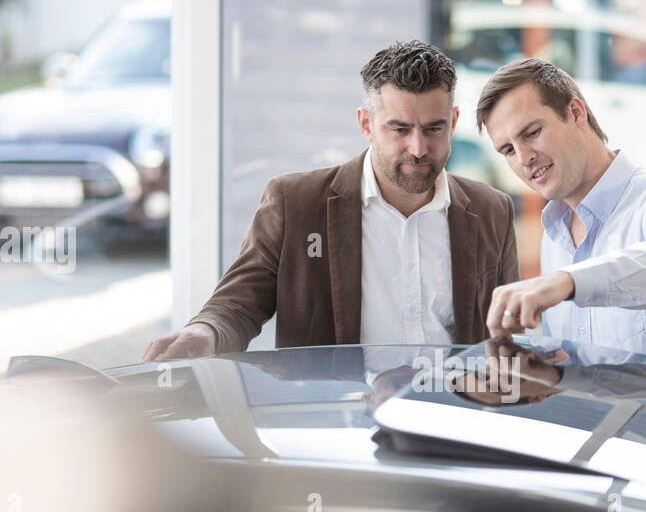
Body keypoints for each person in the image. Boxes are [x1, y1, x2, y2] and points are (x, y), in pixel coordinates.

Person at [142, 41, 519, 362]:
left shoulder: (491, 210)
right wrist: (205, 332)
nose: (418, 148)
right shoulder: (296, 204)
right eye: (399, 129)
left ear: (453, 122)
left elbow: (504, 336)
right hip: (336, 421)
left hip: (455, 415)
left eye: (433, 129)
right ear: (366, 125)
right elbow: (239, 302)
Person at [474, 58, 646, 370]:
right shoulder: (555, 238)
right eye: (507, 150)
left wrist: (566, 282)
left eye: (531, 133)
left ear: (575, 113)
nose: (524, 157)